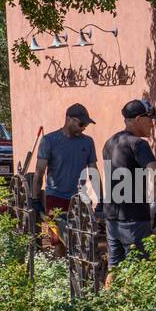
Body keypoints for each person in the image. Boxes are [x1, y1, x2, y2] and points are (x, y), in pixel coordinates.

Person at [102, 98, 156, 285]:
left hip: (112, 218)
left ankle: (107, 308)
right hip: (134, 218)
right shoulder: (138, 144)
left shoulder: (110, 142)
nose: (152, 124)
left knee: (114, 269)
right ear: (139, 118)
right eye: (150, 119)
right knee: (139, 271)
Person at [32, 103, 99, 257]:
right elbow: (39, 172)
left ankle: (80, 276)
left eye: (86, 125)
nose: (83, 128)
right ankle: (60, 275)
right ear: (69, 119)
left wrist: (99, 199)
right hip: (55, 197)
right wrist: (35, 199)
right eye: (81, 124)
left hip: (78, 198)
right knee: (60, 242)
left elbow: (93, 172)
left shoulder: (87, 142)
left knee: (82, 239)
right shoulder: (49, 141)